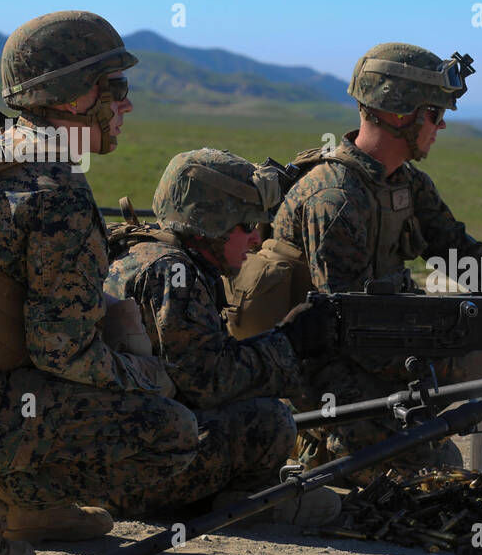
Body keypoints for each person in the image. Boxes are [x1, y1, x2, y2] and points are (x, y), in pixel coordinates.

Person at [0, 11, 258, 555]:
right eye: (116, 89)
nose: (126, 106)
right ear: (72, 97)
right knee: (169, 428)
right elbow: (62, 351)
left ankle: (23, 504)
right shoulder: (53, 191)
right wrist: (153, 379)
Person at [260, 43, 482, 480]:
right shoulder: (335, 199)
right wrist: (463, 368)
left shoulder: (405, 183)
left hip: (383, 349)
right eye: (434, 113)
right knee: (428, 473)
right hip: (320, 368)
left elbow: (459, 254)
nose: (442, 125)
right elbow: (348, 329)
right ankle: (314, 441)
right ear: (397, 113)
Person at [104, 148, 341, 525]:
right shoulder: (174, 274)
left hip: (115, 449)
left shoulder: (140, 249)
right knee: (271, 422)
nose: (254, 240)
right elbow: (208, 382)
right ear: (209, 224)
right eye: (246, 226)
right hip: (129, 475)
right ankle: (230, 505)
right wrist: (289, 341)